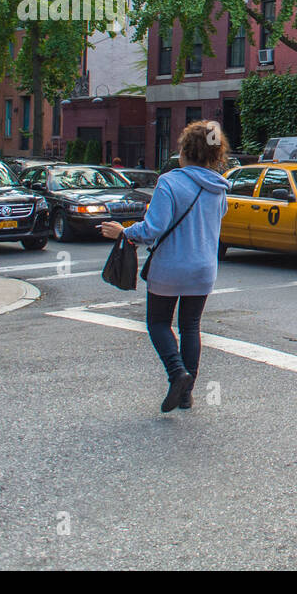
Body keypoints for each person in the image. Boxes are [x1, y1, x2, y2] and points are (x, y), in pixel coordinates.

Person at [101, 121, 229, 412]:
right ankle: (186, 393)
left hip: (170, 267)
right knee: (191, 326)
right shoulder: (219, 188)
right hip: (203, 268)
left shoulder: (170, 182)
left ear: (185, 150)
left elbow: (152, 229)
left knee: (158, 323)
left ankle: (177, 374)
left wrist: (123, 231)